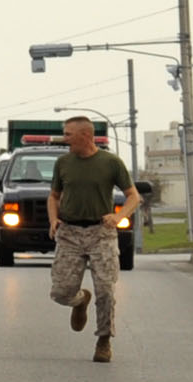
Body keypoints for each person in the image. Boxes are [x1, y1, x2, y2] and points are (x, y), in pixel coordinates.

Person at [47, 116, 139, 362]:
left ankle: (104, 340)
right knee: (60, 292)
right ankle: (80, 301)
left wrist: (119, 217)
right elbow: (54, 196)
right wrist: (53, 219)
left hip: (101, 233)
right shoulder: (63, 163)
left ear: (85, 135)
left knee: (106, 290)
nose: (64, 139)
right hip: (70, 233)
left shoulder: (111, 162)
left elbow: (133, 197)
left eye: (68, 134)